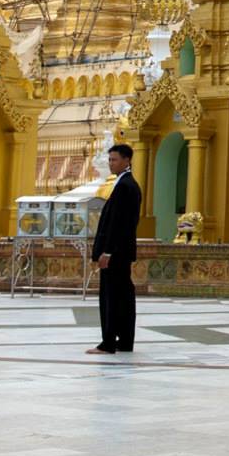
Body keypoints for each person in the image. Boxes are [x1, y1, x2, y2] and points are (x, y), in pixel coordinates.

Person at [87, 143, 142, 357]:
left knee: (111, 296)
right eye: (109, 160)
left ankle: (108, 342)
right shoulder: (124, 184)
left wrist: (108, 252)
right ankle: (125, 340)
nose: (111, 164)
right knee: (123, 296)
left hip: (116, 253)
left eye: (115, 160)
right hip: (121, 252)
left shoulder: (126, 186)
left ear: (127, 160)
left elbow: (121, 224)